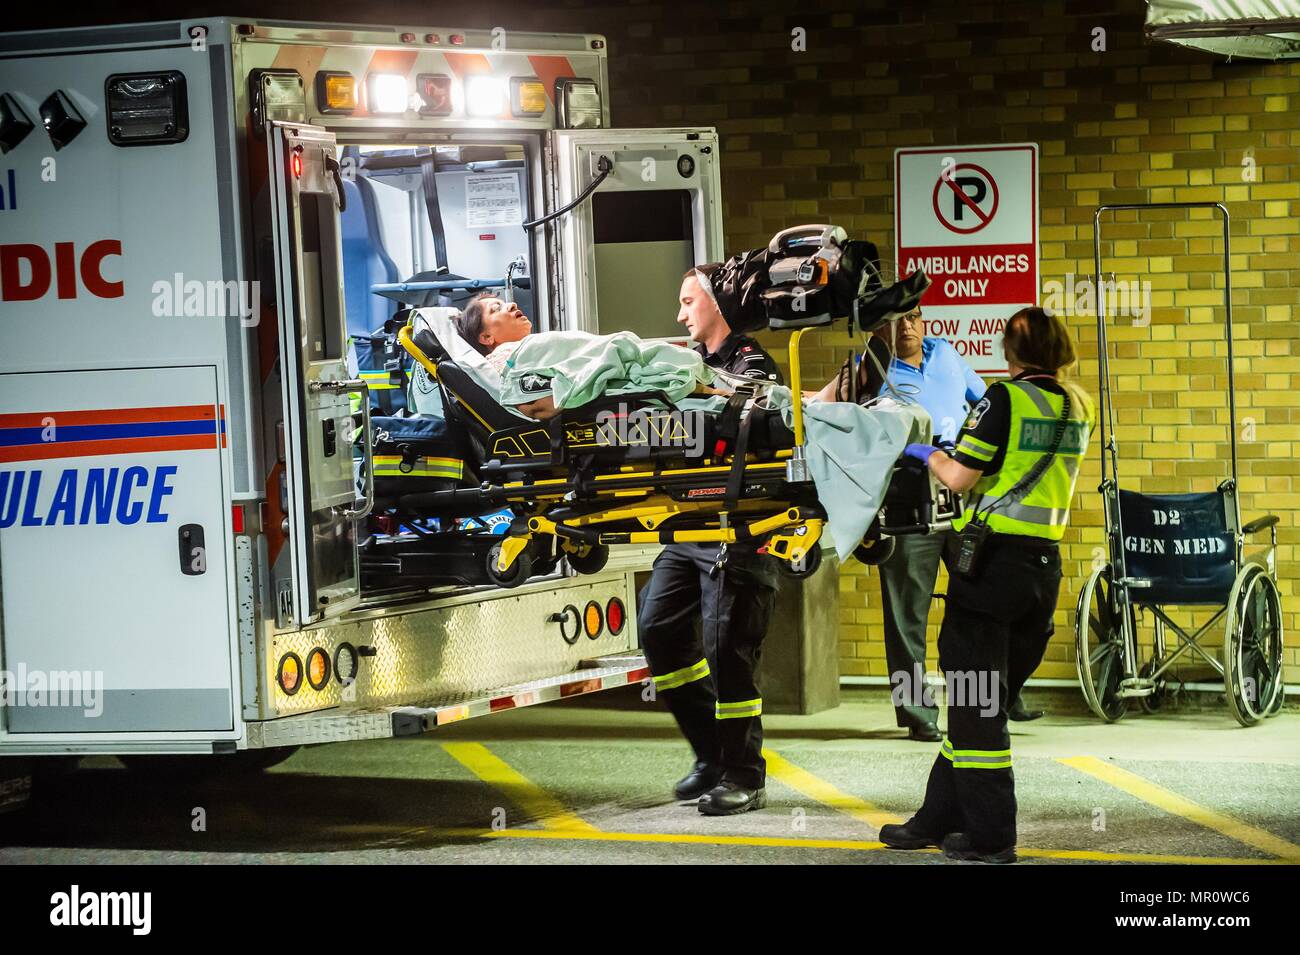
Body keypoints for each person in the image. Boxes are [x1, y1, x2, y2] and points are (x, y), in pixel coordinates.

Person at [878, 307, 1094, 863]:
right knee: (982, 708)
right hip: (1042, 573)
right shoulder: (1077, 405)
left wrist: (924, 451)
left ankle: (991, 838)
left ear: (1010, 350)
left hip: (992, 573)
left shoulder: (1005, 398)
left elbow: (960, 475)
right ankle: (934, 818)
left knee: (977, 711)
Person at [636, 264, 783, 816]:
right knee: (659, 628)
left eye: (687, 302)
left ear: (717, 306)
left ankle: (745, 774)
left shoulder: (750, 363)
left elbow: (741, 415)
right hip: (688, 527)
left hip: (737, 527)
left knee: (729, 653)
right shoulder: (687, 364)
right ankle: (711, 753)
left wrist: (693, 385)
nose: (679, 315)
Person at [812, 304, 986, 741]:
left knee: (983, 600)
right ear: (881, 327)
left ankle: (995, 696)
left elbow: (985, 406)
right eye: (897, 318)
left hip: (958, 496)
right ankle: (915, 712)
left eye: (913, 316)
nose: (906, 325)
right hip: (906, 501)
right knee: (906, 615)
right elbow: (821, 412)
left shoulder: (946, 354)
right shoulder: (868, 367)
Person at [455, 292, 532, 375]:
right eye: (497, 308)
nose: (513, 304)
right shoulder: (505, 365)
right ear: (486, 337)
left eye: (504, 304)